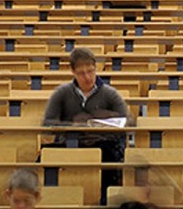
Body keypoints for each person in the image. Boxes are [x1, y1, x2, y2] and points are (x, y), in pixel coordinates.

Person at [43, 47, 129, 187]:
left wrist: (107, 117)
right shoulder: (62, 93)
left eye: (90, 71)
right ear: (73, 72)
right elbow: (48, 123)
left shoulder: (110, 94)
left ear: (96, 68)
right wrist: (72, 126)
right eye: (81, 73)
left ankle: (105, 198)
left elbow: (127, 121)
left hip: (102, 145)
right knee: (44, 156)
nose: (87, 77)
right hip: (68, 144)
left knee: (110, 158)